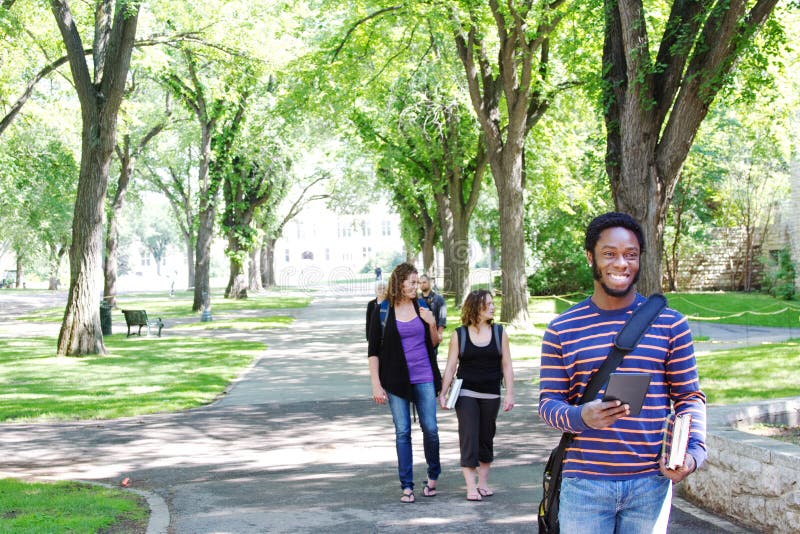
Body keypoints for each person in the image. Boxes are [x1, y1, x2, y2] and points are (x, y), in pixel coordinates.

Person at [538, 212, 707, 533]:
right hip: (584, 484)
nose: (621, 263)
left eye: (630, 255)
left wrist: (694, 451)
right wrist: (581, 417)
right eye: (609, 254)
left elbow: (689, 397)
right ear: (590, 257)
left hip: (650, 484)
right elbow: (548, 405)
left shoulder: (670, 324)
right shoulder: (562, 328)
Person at [367, 262, 442, 503]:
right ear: (399, 283)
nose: (416, 286)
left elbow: (434, 343)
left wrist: (431, 323)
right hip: (395, 379)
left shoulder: (422, 305)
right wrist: (376, 385)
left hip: (424, 376)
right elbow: (373, 351)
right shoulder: (382, 310)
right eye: (411, 282)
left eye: (417, 281)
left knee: (430, 428)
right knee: (403, 431)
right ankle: (407, 486)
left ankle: (432, 476)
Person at [439, 289, 514, 501]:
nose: (493, 306)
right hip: (466, 392)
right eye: (487, 303)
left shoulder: (500, 333)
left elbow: (507, 365)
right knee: (469, 435)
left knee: (486, 437)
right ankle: (471, 486)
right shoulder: (459, 334)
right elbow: (451, 365)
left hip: (491, 393)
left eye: (493, 303)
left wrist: (510, 393)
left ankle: (483, 482)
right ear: (475, 307)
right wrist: (443, 392)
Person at [418, 274, 446, 347]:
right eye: (420, 283)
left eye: (424, 282)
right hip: (420, 335)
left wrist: (439, 334)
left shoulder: (439, 299)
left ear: (429, 283)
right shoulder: (417, 299)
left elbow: (442, 318)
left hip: (433, 334)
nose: (422, 285)